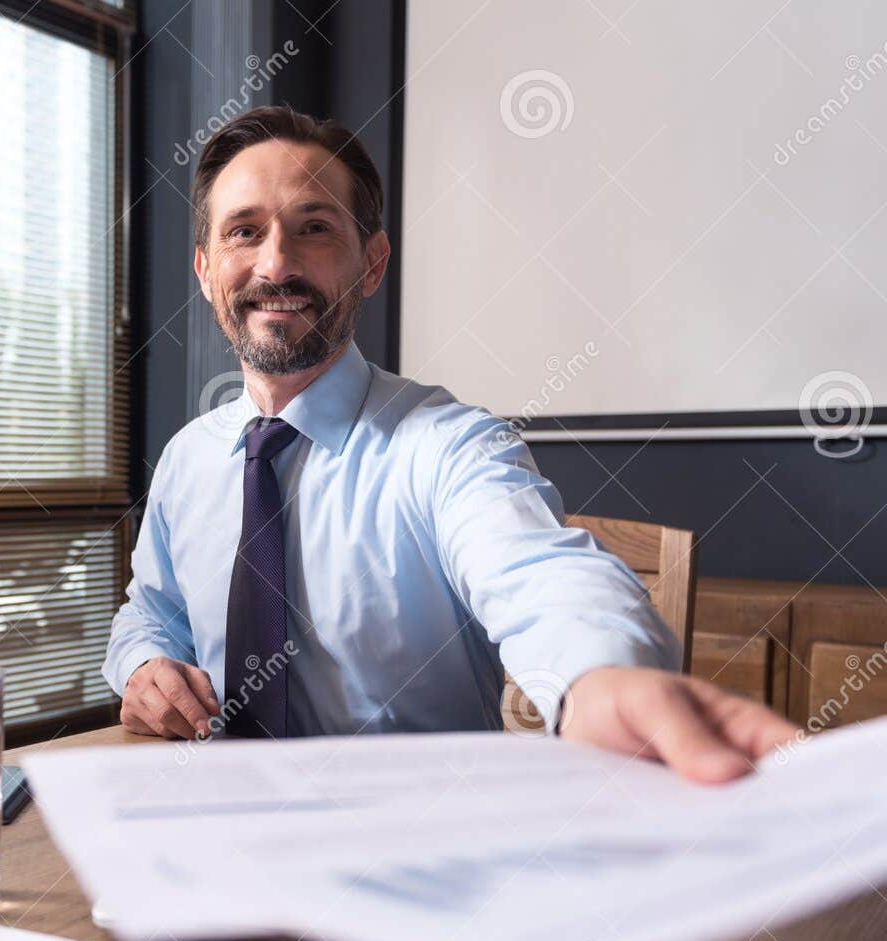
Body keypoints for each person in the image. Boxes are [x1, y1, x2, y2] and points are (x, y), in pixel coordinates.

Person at [104, 106, 796, 783]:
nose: (276, 262)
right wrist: (142, 664)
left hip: (421, 857)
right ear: (204, 270)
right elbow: (150, 612)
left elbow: (539, 573)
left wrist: (598, 675)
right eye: (244, 232)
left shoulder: (451, 447)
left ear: (371, 264)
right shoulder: (187, 461)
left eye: (313, 227)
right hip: (211, 836)